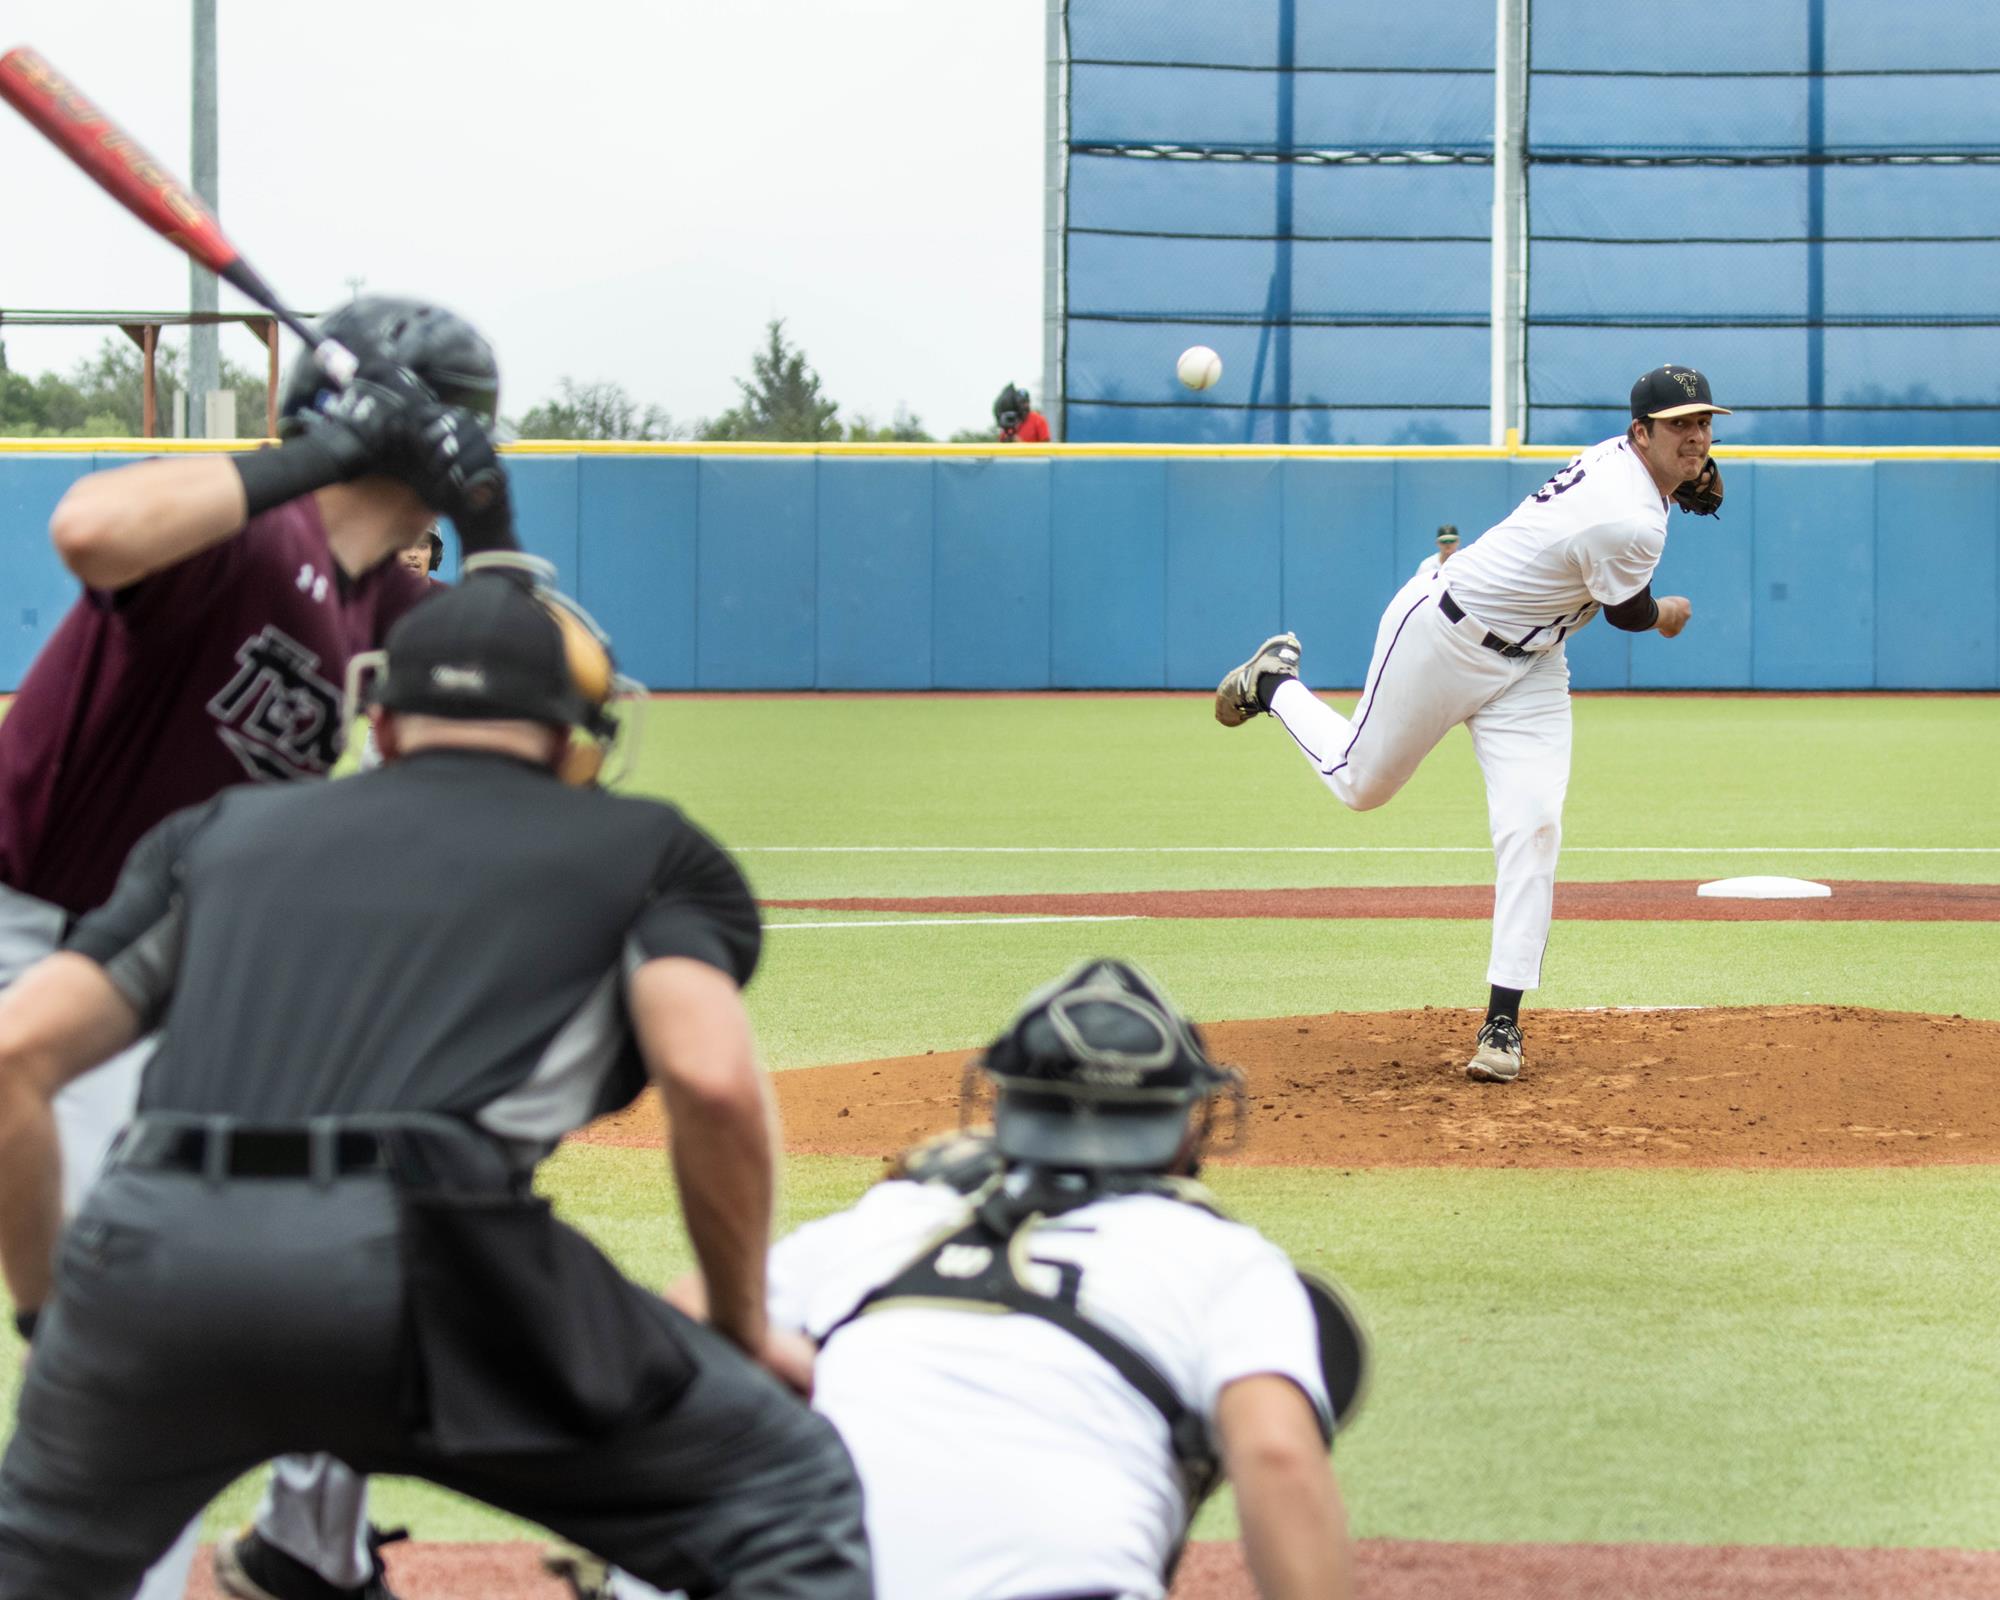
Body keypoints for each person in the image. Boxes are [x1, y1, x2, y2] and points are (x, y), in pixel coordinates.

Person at [0, 562, 872, 1600]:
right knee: (783, 1492)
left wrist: (62, 1317)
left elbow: (16, 1056)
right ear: (574, 735)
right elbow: (712, 1079)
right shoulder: (648, 849)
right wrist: (735, 1323)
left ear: (385, 719)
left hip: (149, 1247)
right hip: (427, 1249)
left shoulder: (223, 831)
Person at [0, 293, 515, 1600]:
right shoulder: (250, 534)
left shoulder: (383, 598)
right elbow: (87, 528)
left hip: (176, 974)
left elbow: (554, 680)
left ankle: (309, 1553)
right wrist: (336, 452)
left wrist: (491, 522)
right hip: (43, 944)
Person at [601, 958, 1364, 1600]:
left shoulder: (895, 1217)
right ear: (1189, 1120)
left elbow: (690, 1312)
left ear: (1001, 1105)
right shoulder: (1223, 1259)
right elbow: (1277, 1455)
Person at [1214, 364, 1727, 1083]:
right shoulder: (1632, 517)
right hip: (1444, 637)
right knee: (1361, 786)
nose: (1697, 437)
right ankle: (1274, 685)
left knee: (1534, 824)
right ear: (1639, 432)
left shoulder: (1632, 474)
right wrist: (1670, 613)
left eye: (1703, 423)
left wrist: (1676, 479)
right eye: (1679, 425)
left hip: (1534, 663)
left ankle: (1503, 1022)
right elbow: (1632, 612)